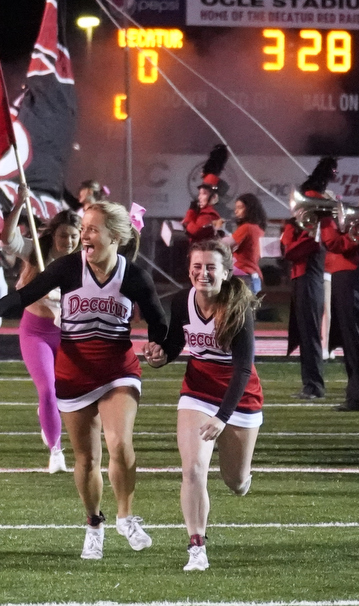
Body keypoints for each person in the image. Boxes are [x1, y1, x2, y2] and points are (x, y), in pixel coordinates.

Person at [0, 201, 167, 560]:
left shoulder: (133, 276)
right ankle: (94, 523)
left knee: (119, 444)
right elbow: (24, 295)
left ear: (114, 237)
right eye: (83, 228)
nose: (84, 236)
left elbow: (158, 323)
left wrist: (158, 347)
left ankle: (126, 516)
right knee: (86, 459)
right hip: (74, 372)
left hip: (118, 369)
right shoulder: (68, 268)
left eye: (91, 229)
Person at [142, 240, 263, 572]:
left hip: (240, 396)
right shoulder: (183, 300)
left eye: (210, 267)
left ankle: (242, 477)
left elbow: (242, 369)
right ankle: (197, 547)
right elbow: (178, 342)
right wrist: (160, 356)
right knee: (193, 470)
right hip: (197, 390)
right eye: (197, 266)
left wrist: (223, 418)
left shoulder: (239, 307)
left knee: (235, 482)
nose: (202, 273)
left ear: (225, 272)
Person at [0, 197, 82, 473]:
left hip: (70, 335)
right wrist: (19, 206)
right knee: (47, 390)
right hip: (37, 332)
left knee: (66, 393)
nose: (68, 241)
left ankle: (50, 416)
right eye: (62, 235)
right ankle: (56, 451)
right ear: (53, 234)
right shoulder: (37, 250)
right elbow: (9, 241)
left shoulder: (85, 259)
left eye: (73, 236)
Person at [282, 157, 335, 399]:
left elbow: (292, 251)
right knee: (304, 333)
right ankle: (309, 384)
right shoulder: (305, 228)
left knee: (311, 334)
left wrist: (305, 231)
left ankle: (315, 385)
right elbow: (288, 249)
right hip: (300, 282)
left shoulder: (317, 233)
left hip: (310, 282)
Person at [320, 189, 359, 412]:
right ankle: (354, 395)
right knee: (348, 339)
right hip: (345, 277)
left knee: (356, 340)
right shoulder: (357, 222)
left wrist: (325, 218)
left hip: (354, 278)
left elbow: (336, 244)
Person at [182, 145, 230, 244]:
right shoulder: (202, 212)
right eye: (199, 193)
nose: (199, 197)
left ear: (214, 197)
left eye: (204, 193)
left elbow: (195, 231)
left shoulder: (208, 215)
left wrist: (189, 218)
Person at [228, 193, 265, 294]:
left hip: (243, 274)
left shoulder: (246, 227)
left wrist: (216, 229)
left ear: (249, 209)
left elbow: (226, 244)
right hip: (253, 275)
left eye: (240, 208)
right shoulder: (258, 228)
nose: (236, 211)